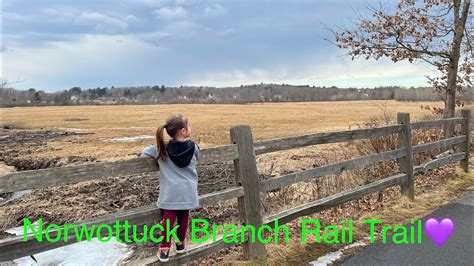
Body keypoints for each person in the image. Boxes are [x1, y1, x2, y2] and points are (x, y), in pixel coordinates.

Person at [140, 114, 201, 262]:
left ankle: (165, 249)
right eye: (189, 126)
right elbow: (198, 156)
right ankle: (180, 244)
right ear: (183, 131)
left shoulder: (161, 149)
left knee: (168, 220)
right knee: (183, 218)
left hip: (169, 193)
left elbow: (144, 154)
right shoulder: (194, 148)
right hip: (188, 192)